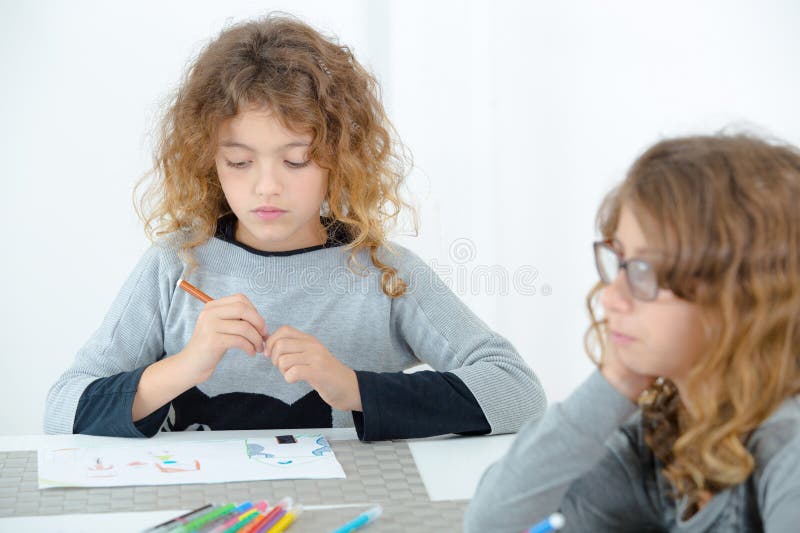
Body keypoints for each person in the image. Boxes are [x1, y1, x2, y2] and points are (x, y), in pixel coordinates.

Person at [44, 14, 545, 441]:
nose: (267, 187)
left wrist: (353, 388)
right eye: (239, 162)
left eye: (297, 160)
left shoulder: (384, 273)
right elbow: (61, 409)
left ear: (339, 159)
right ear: (208, 161)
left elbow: (518, 392)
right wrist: (185, 366)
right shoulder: (173, 266)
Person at [465, 134, 800, 531]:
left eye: (645, 270)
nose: (611, 297)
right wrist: (617, 380)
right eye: (620, 262)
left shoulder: (788, 452)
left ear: (742, 294)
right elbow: (492, 521)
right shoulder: (669, 434)